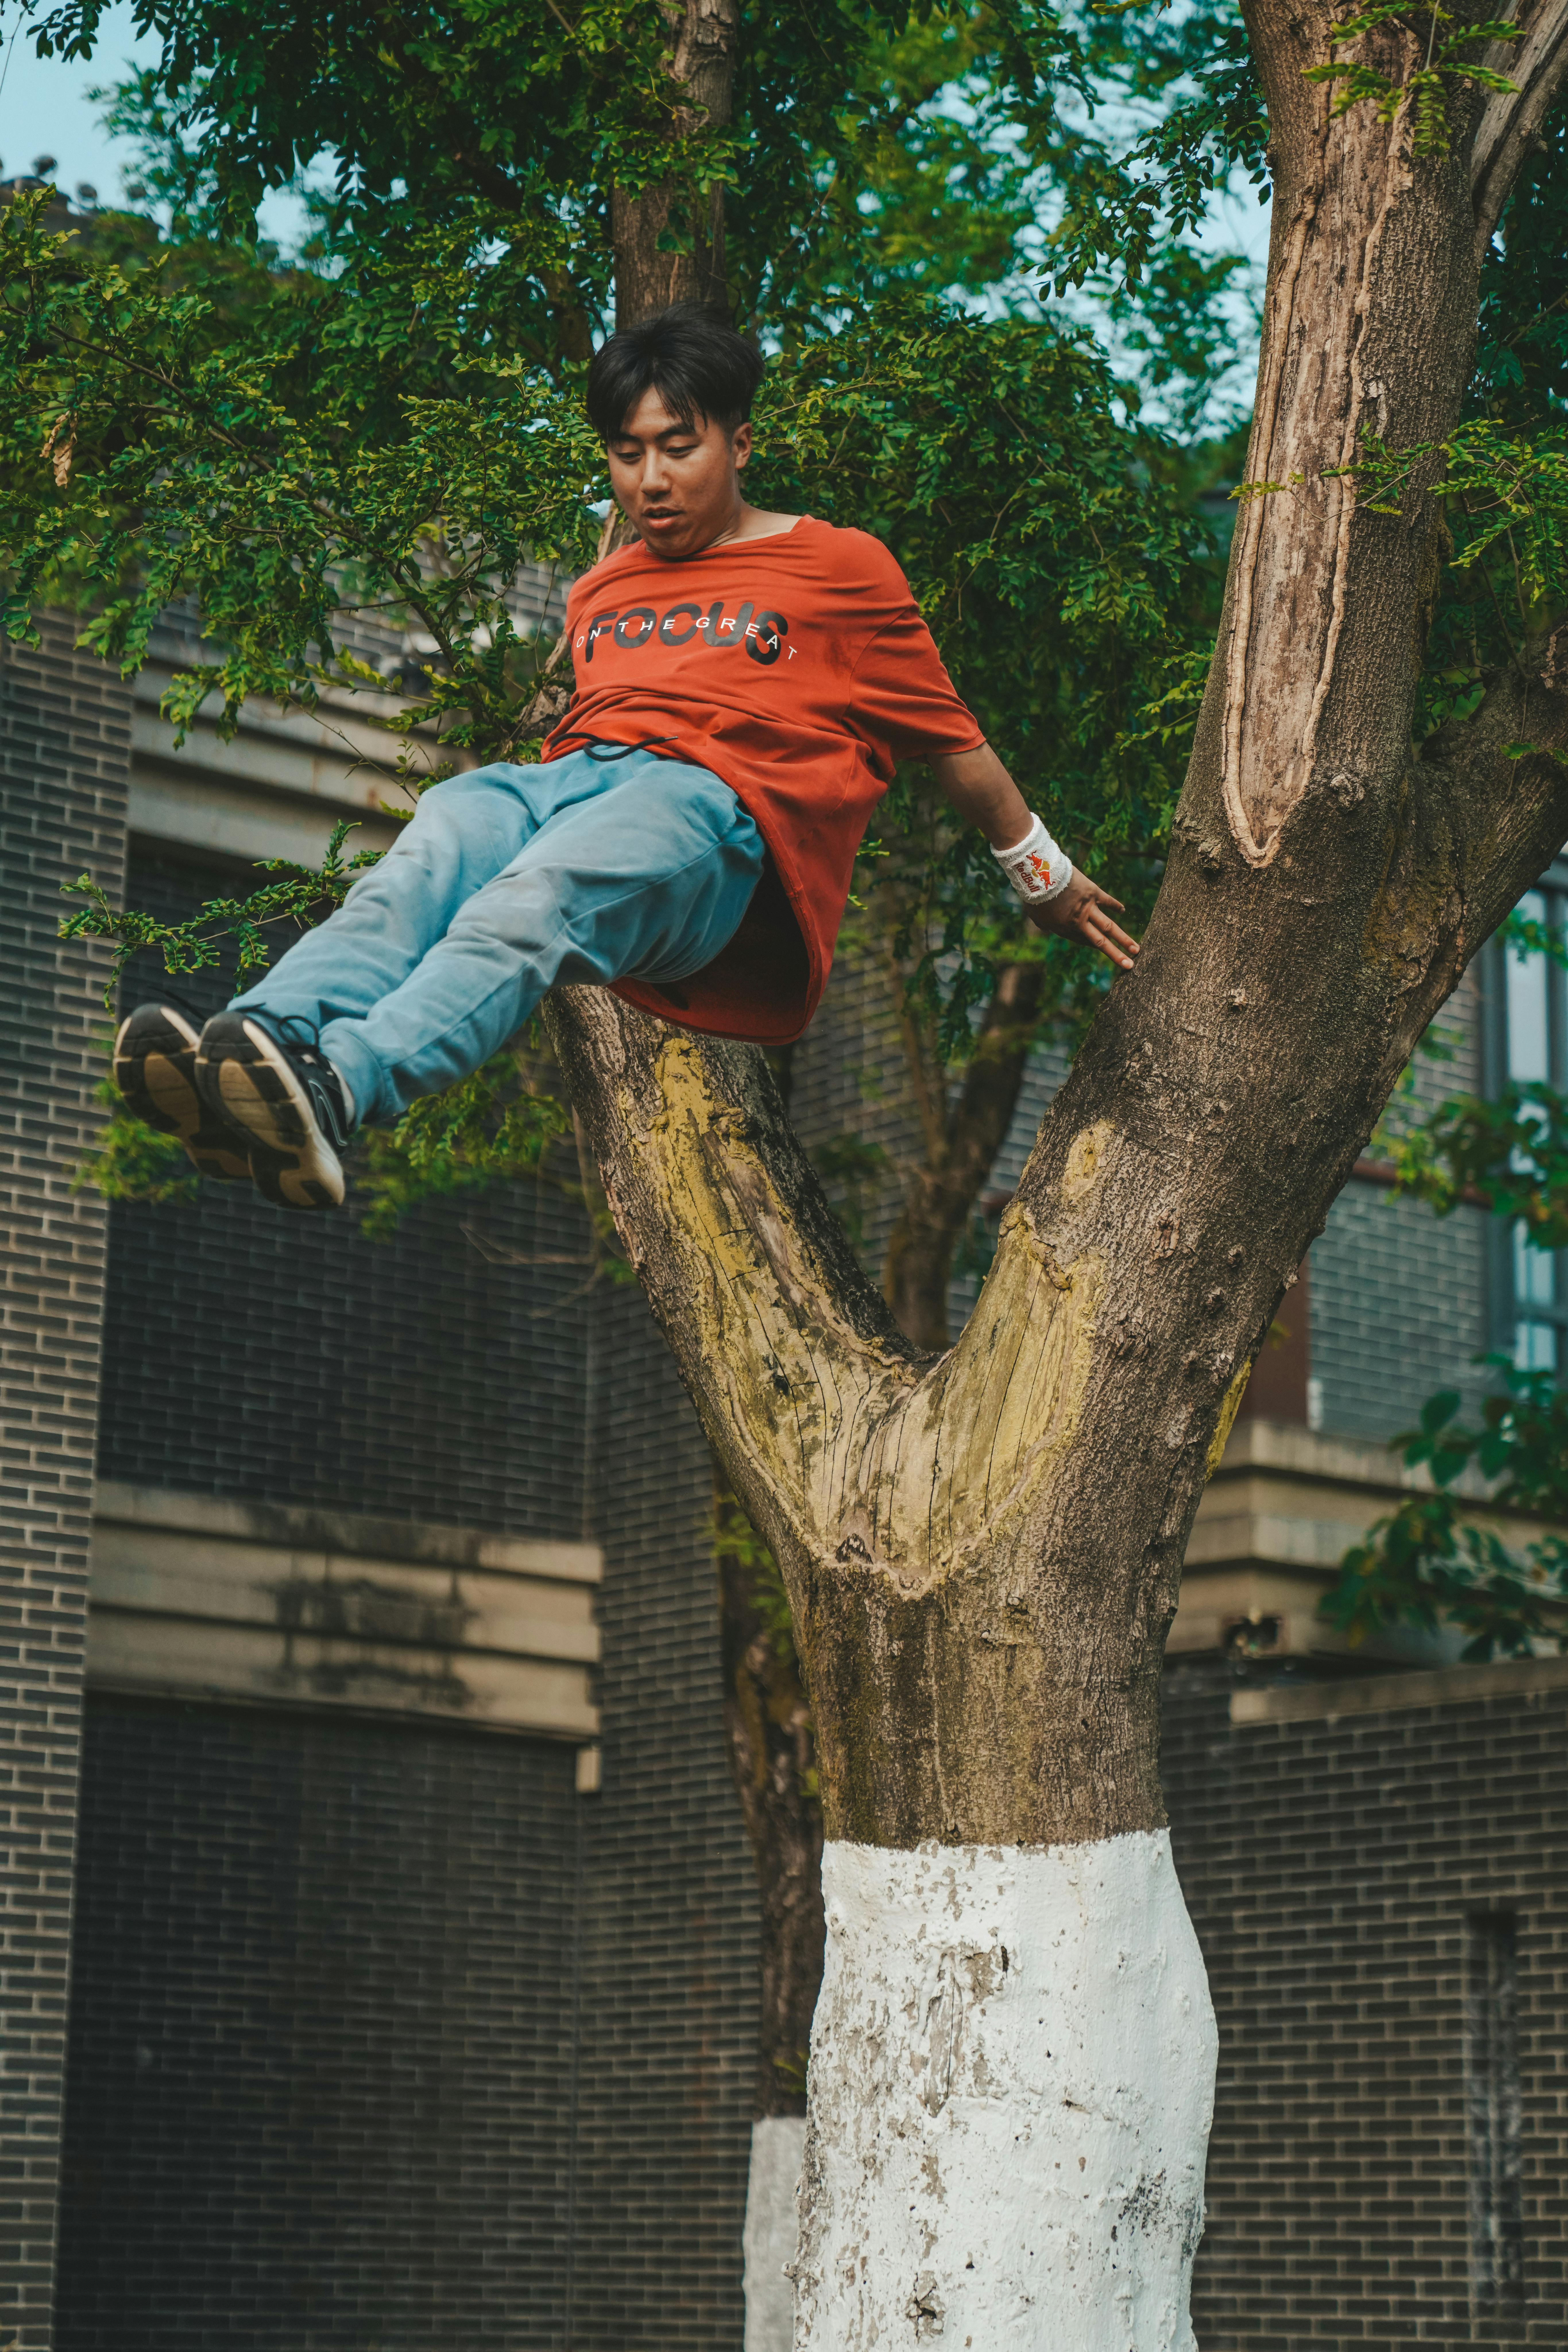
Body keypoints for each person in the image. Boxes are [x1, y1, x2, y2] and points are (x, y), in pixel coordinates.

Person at [113, 304, 1139, 1212]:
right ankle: (251, 1059)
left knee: (531, 901)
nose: (651, 481)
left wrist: (1041, 875)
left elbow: (951, 737)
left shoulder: (841, 566)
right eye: (626, 453)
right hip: (573, 779)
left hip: (712, 814)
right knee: (438, 838)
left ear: (741, 441)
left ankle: (339, 1085)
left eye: (678, 448)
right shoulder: (601, 588)